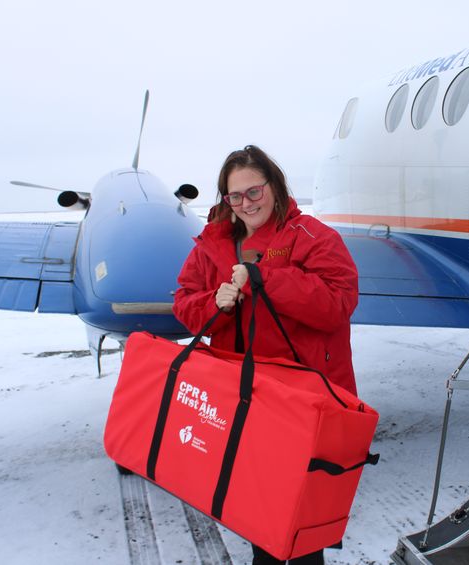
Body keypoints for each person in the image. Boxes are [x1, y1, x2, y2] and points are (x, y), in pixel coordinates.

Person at [172, 145, 359, 564]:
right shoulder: (212, 245)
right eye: (234, 197)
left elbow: (338, 304)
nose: (245, 204)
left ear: (274, 187)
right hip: (243, 403)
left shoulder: (312, 236)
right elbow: (185, 302)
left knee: (303, 530)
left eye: (253, 192)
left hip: (305, 403)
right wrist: (215, 304)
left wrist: (266, 279)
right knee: (258, 520)